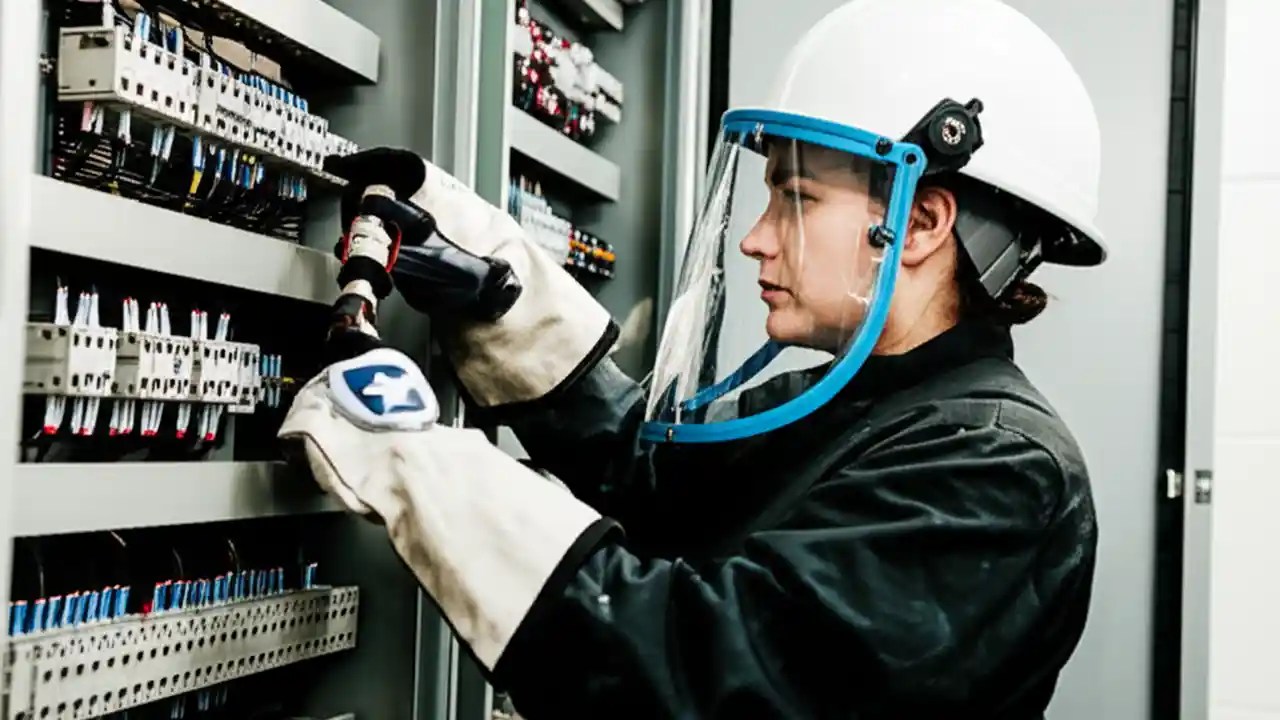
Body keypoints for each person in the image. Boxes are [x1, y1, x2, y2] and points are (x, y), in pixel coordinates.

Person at [280, 0, 1105, 716]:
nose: (753, 238)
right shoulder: (868, 406)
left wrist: (414, 459)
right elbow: (649, 476)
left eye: (796, 198)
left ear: (921, 222)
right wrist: (498, 291)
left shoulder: (994, 467)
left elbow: (701, 677)